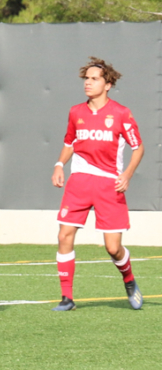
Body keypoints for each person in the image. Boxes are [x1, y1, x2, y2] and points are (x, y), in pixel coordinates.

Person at [51, 57, 144, 311]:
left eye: (94, 79)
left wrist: (127, 175)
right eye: (86, 79)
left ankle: (129, 279)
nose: (88, 83)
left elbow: (138, 147)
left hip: (109, 186)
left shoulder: (121, 113)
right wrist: (59, 165)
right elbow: (70, 142)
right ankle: (67, 298)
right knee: (64, 235)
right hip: (79, 181)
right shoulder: (76, 112)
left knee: (113, 248)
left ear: (108, 84)